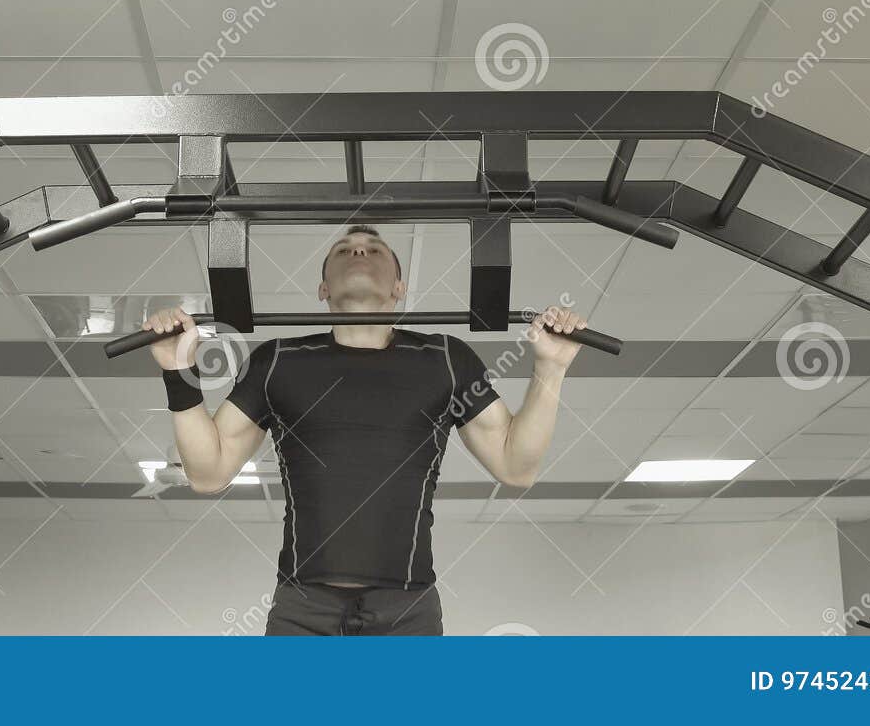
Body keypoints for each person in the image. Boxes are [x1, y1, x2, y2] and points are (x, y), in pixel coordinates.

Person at [144, 224, 586, 635]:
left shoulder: (447, 359)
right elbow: (207, 473)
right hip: (302, 610)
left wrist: (551, 366)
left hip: (407, 609)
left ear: (399, 286)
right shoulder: (277, 360)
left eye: (375, 249)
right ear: (322, 289)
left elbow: (516, 466)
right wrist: (176, 370)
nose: (359, 249)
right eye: (344, 249)